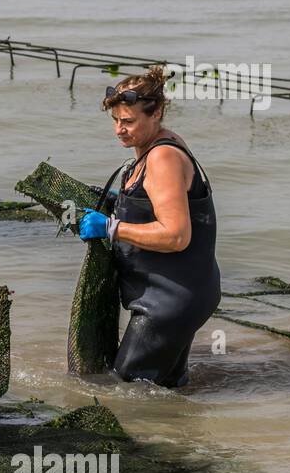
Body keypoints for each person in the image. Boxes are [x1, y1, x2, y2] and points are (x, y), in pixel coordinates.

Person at [78, 66, 221, 388]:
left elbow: (176, 235)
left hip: (168, 302)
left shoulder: (163, 157)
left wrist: (111, 228)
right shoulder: (154, 145)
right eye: (115, 121)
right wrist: (123, 202)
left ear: (155, 113)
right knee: (165, 387)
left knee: (127, 388)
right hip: (182, 294)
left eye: (128, 122)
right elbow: (156, 201)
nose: (119, 130)